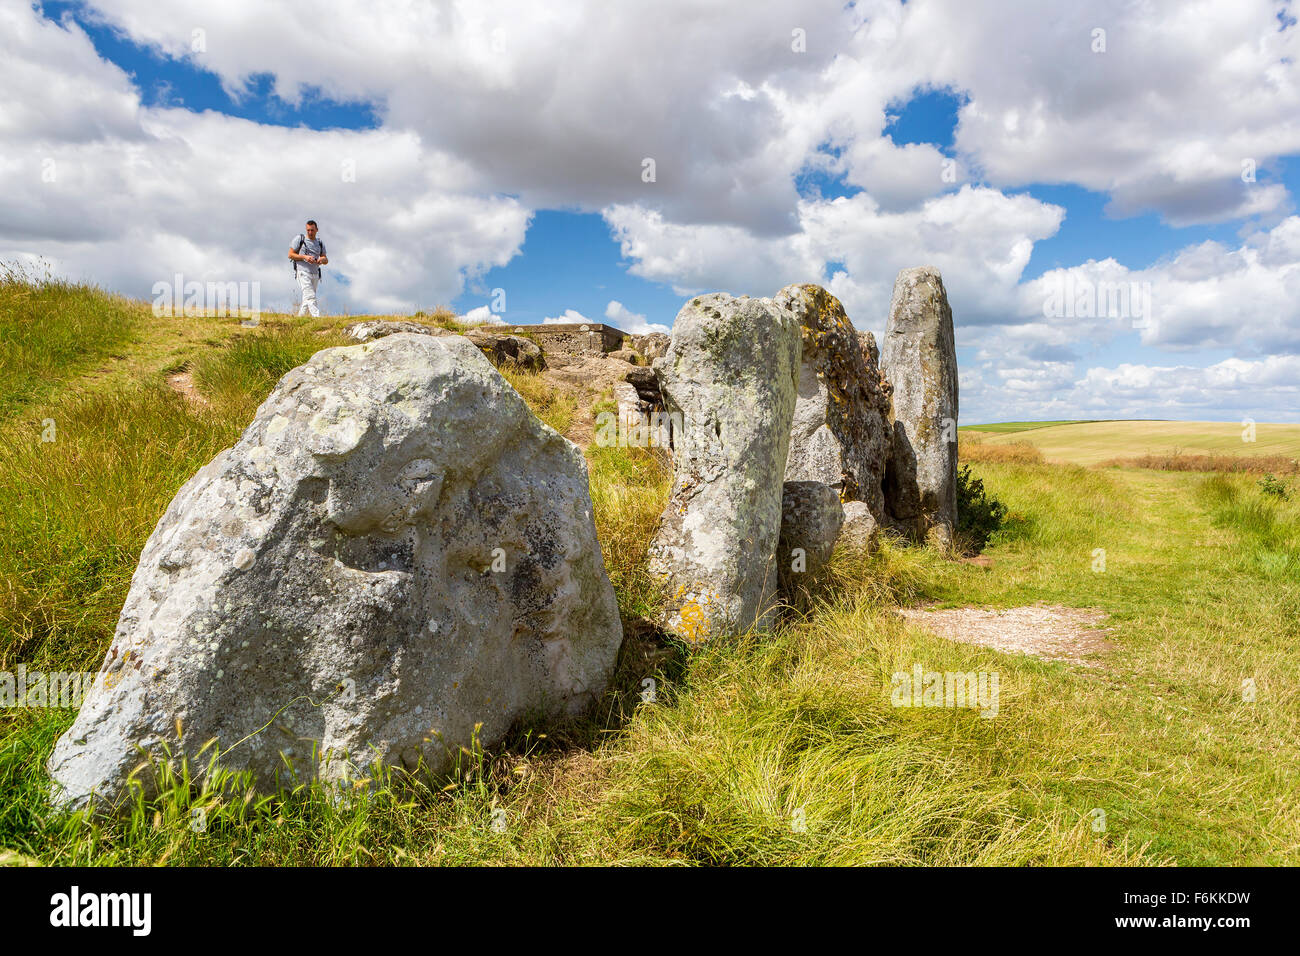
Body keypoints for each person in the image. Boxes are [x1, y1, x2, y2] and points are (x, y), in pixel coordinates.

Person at [288, 220, 329, 317]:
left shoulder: (320, 242)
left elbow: (326, 259)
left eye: (312, 230)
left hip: (315, 274)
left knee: (307, 299)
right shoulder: (300, 239)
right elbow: (290, 255)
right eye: (308, 230)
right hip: (302, 272)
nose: (310, 232)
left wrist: (321, 259)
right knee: (310, 296)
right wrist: (305, 257)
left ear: (317, 230)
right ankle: (317, 318)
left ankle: (299, 319)